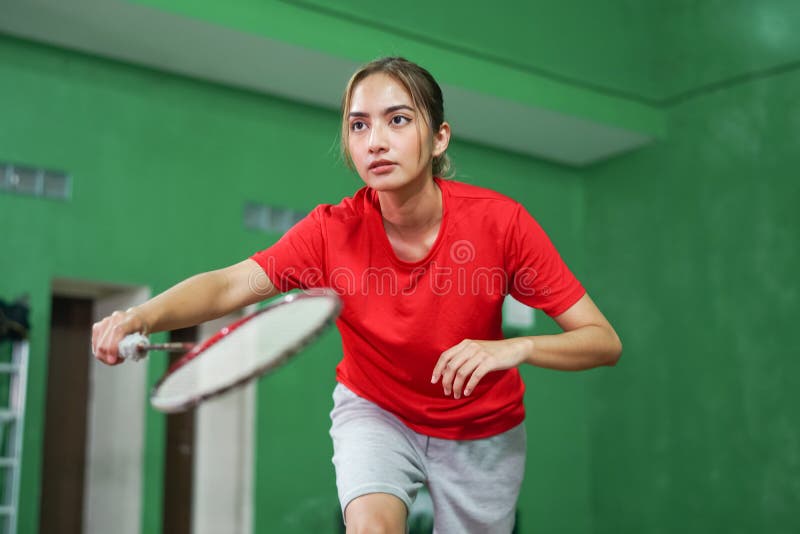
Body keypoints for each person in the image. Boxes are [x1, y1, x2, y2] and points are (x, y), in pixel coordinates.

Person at [92, 57, 622, 534]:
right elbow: (233, 283)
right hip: (378, 410)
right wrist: (139, 316)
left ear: (439, 138)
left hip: (481, 427)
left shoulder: (501, 224)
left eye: (398, 120)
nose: (376, 141)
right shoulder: (330, 232)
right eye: (359, 125)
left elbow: (602, 341)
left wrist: (516, 348)